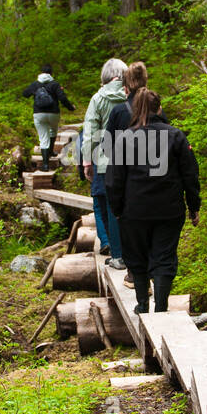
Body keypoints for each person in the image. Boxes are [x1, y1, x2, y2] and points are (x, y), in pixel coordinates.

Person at [107, 87, 200, 314]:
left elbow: (113, 180)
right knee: (165, 256)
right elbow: (190, 175)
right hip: (169, 209)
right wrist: (193, 207)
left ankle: (141, 303)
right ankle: (161, 306)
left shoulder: (124, 139)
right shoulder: (176, 136)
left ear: (136, 110)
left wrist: (118, 209)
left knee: (136, 256)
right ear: (159, 108)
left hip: (134, 210)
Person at [104, 61, 164, 288]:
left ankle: (134, 273)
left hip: (128, 179)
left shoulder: (119, 111)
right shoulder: (157, 109)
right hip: (157, 175)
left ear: (126, 84)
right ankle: (152, 275)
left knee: (131, 227)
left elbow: (107, 146)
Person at [80, 58, 127, 266]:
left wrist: (87, 161)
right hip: (134, 159)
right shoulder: (134, 95)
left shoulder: (98, 98)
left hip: (105, 160)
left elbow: (89, 133)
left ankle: (118, 255)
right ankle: (135, 255)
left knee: (111, 207)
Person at [21, 65, 74, 171]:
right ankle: (50, 152)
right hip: (53, 113)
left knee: (43, 138)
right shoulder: (55, 84)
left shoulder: (35, 84)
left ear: (41, 72)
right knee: (53, 132)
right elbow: (62, 98)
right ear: (51, 73)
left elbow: (25, 94)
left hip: (39, 114)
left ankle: (45, 165)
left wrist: (34, 92)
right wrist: (71, 107)